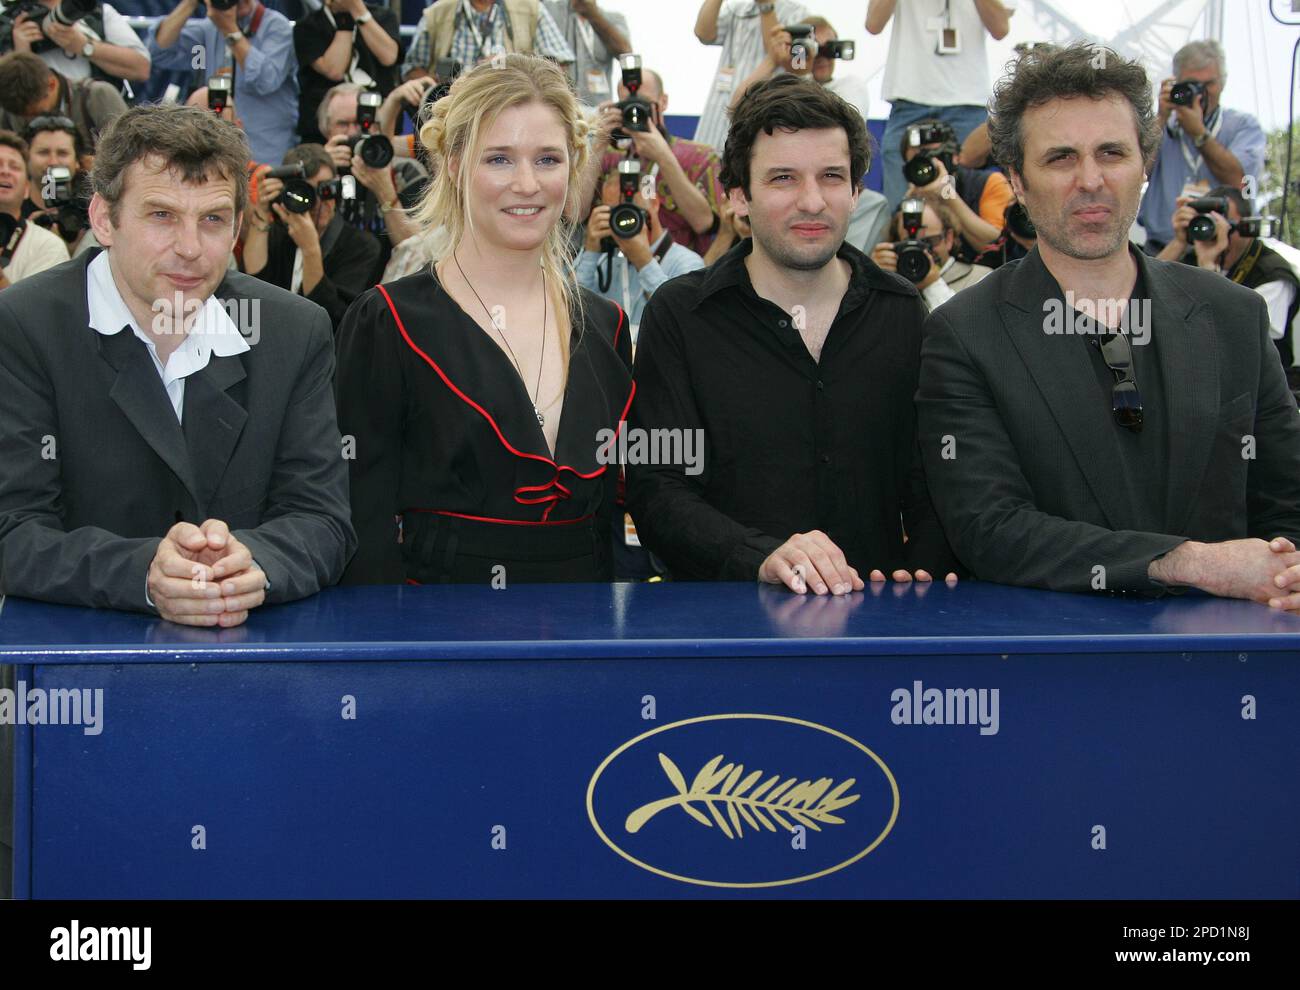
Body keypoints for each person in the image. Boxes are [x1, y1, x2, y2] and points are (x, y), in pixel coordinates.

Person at [916, 43, 1300, 608]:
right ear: (1017, 180)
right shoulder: (964, 334)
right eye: (1061, 158)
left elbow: (1288, 500)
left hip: (1233, 662)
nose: (1091, 180)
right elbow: (989, 529)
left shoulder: (1234, 316)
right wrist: (1193, 562)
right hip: (1055, 666)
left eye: (1112, 153)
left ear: (1145, 164)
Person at [0, 103, 355, 620]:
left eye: (212, 220)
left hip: (254, 662)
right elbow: (12, 528)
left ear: (237, 227)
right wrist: (144, 573)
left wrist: (254, 563)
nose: (190, 248)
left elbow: (322, 519)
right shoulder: (24, 325)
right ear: (104, 218)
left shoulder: (293, 331)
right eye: (162, 215)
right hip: (77, 664)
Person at [626, 74, 958, 593]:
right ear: (738, 196)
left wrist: (921, 571)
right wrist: (759, 557)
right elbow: (657, 488)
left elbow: (934, 478)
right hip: (724, 630)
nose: (811, 201)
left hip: (878, 627)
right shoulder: (682, 316)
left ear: (855, 191)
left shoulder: (900, 311)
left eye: (830, 177)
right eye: (783, 178)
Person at [335, 53, 633, 585]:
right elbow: (362, 522)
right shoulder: (388, 322)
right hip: (437, 640)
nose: (526, 184)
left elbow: (611, 519)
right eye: (498, 159)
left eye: (548, 159)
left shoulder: (607, 325)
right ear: (454, 164)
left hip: (584, 640)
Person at [867, 0, 1014, 210]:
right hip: (908, 98)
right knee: (901, 204)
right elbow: (873, 23)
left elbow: (1000, 27)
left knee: (966, 200)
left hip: (968, 101)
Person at [1158, 185, 1300, 392]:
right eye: (1209, 222)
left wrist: (1207, 269)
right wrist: (1179, 242)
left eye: (1223, 223)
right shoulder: (1192, 255)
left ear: (1245, 226)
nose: (1215, 231)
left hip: (1254, 390)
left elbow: (1232, 337)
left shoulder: (1272, 274)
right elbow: (1141, 294)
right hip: (1196, 382)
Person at [1137, 40, 1266, 255]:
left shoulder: (1242, 126)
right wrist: (1160, 118)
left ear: (1223, 84)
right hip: (1161, 249)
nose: (1201, 94)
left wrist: (1199, 134)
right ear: (1175, 84)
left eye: (1208, 85)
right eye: (1192, 85)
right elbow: (1136, 172)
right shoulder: (1160, 127)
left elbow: (1239, 182)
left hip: (1220, 250)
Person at [242, 142, 383, 330]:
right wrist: (261, 210)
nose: (319, 201)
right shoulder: (279, 232)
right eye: (305, 191)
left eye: (326, 188)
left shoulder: (362, 246)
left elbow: (333, 317)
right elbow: (253, 283)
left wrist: (310, 250)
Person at [589, 66, 725, 257]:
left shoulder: (700, 156)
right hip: (617, 270)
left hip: (678, 272)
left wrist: (663, 157)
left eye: (642, 103)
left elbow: (704, 223)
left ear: (663, 101)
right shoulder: (610, 156)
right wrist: (599, 142)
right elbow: (573, 214)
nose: (634, 112)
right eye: (627, 104)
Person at [148, 0, 298, 166]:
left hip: (265, 152)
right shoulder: (210, 28)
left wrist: (230, 31)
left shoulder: (276, 26)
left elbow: (265, 80)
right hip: (219, 151)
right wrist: (190, 3)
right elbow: (160, 51)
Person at [576, 171, 704, 336]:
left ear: (655, 203)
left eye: (631, 209)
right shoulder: (603, 261)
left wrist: (644, 263)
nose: (624, 219)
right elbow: (575, 311)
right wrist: (591, 250)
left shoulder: (688, 263)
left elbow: (685, 321)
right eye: (614, 211)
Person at [692, 0, 809, 153]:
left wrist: (765, 6)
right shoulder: (738, 9)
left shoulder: (798, 14)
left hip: (756, 121)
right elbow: (704, 34)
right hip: (716, 120)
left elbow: (780, 55)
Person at [901, 116, 1014, 258]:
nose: (926, 168)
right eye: (917, 162)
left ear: (955, 157)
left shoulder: (988, 182)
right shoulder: (911, 199)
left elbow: (999, 247)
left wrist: (948, 196)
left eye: (933, 157)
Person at [294, 0, 401, 145]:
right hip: (323, 134)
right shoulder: (307, 26)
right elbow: (334, 70)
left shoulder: (384, 16)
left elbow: (389, 57)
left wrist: (359, 11)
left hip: (377, 126)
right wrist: (345, 22)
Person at [400, 0, 574, 81]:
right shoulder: (436, 13)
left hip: (515, 105)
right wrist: (447, 85)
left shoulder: (531, 9)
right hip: (452, 109)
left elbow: (561, 67)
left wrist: (513, 66)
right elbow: (410, 70)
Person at [0, 52, 128, 159]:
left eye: (34, 114)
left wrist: (96, 167)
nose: (30, 120)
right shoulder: (9, 109)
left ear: (52, 85)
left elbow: (130, 155)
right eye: (21, 116)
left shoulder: (98, 96)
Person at [871, 201, 991, 310]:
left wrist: (933, 285)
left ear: (948, 238)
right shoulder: (893, 282)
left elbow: (966, 328)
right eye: (910, 244)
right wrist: (875, 279)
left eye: (929, 242)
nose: (922, 251)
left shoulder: (981, 279)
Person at [4, 0, 150, 89]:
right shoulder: (8, 22)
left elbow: (141, 68)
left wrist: (84, 46)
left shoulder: (96, 12)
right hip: (36, 123)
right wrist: (21, 56)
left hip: (96, 119)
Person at [0, 130, 69, 289]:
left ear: (26, 189)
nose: (5, 171)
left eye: (14, 166)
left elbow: (34, 313)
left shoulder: (48, 246)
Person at [543, 0, 630, 108]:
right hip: (560, 107)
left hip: (599, 112)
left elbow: (625, 52)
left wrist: (593, 15)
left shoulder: (614, 19)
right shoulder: (549, 10)